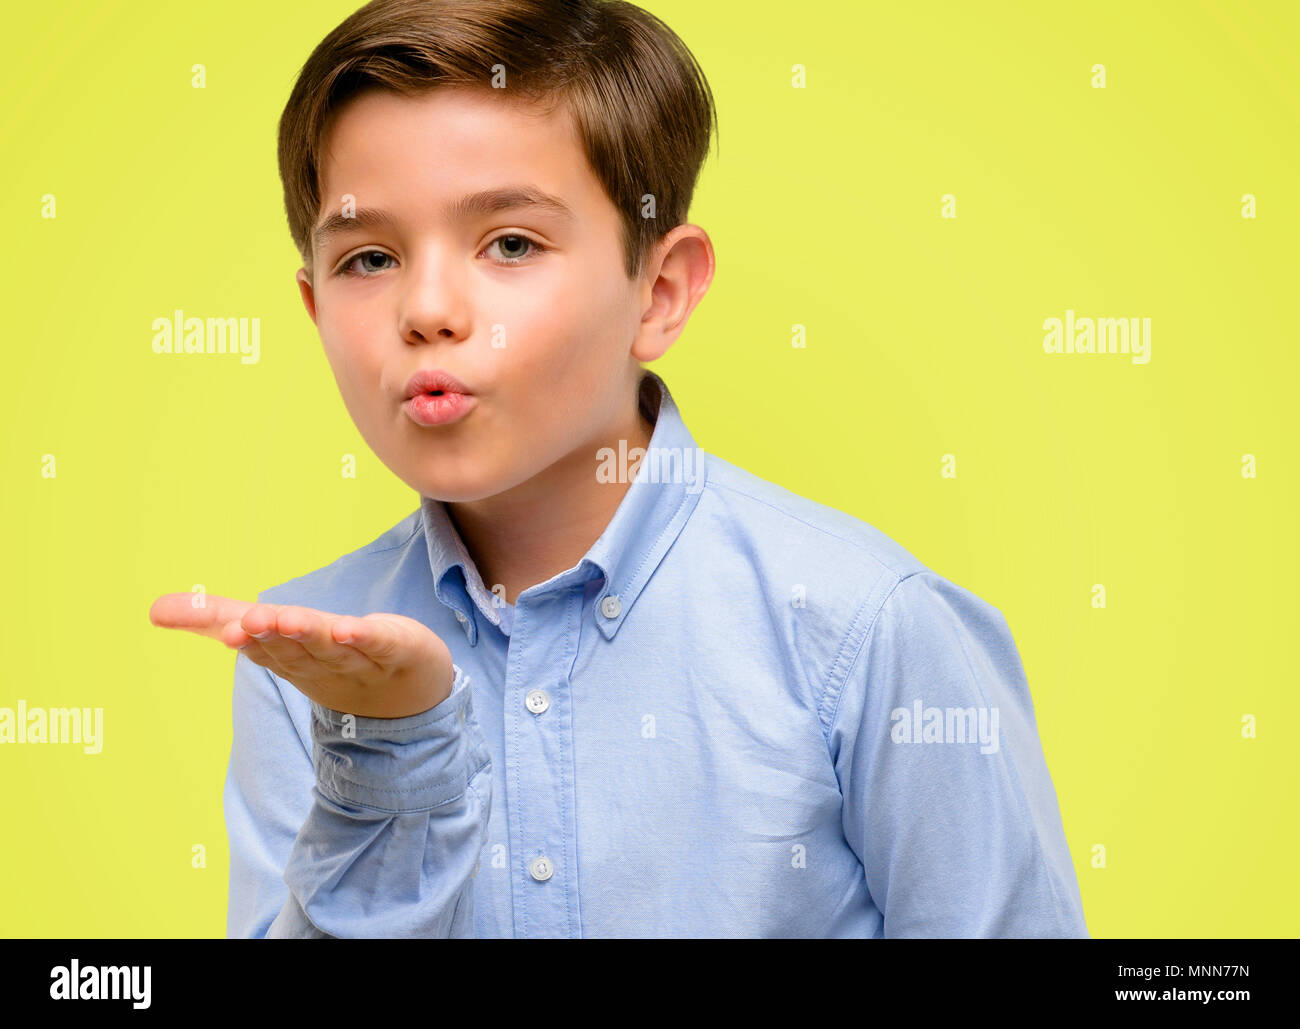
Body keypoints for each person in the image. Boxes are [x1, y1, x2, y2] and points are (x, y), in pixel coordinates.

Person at [151, 0, 1089, 938]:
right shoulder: (309, 665)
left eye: (510, 242)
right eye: (368, 257)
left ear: (661, 290)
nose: (427, 308)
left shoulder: (869, 628)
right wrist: (387, 759)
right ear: (316, 313)